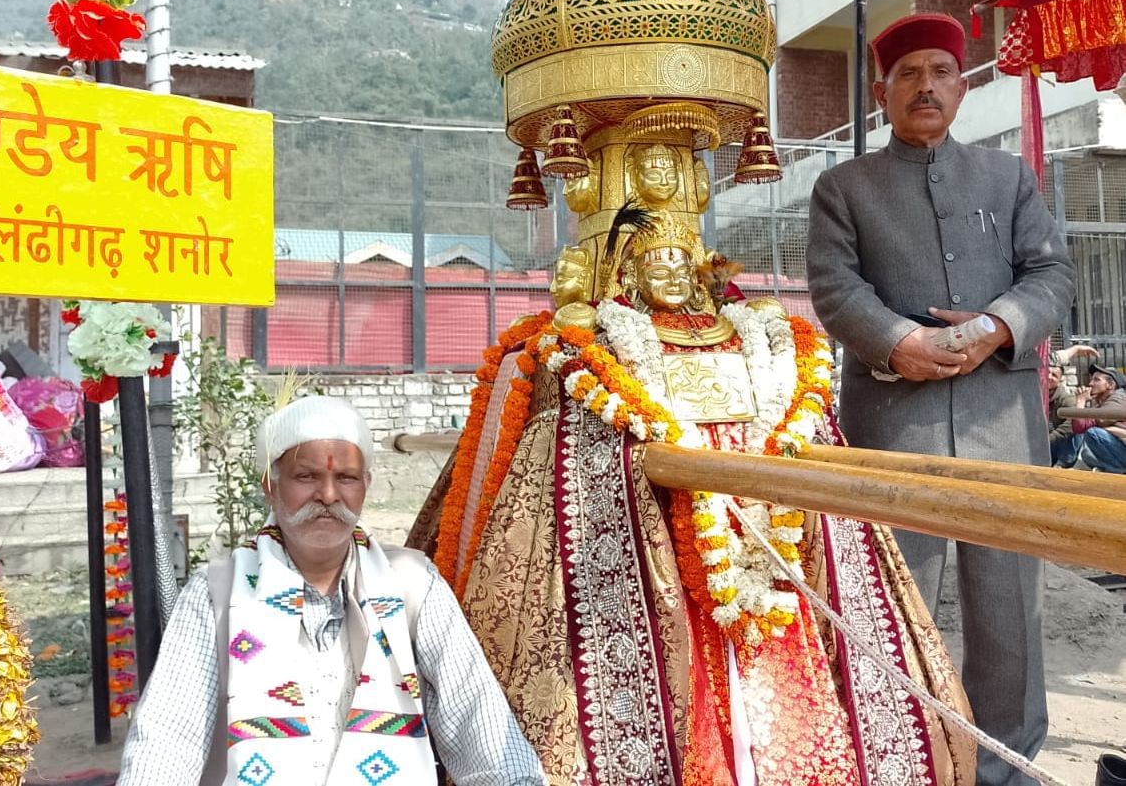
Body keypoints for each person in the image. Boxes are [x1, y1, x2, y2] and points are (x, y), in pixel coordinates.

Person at [411, 192, 975, 784]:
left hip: (768, 551)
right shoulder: (590, 345)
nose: (674, 276)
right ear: (629, 276)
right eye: (657, 265)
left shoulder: (760, 336)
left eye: (684, 263)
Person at [806, 12, 1076, 786]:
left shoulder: (1007, 178)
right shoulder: (843, 187)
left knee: (1008, 611)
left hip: (1003, 426)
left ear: (961, 86)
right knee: (892, 605)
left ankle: (1003, 768)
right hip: (894, 421)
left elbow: (1051, 272)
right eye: (908, 74)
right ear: (880, 91)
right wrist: (899, 340)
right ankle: (892, 761)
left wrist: (995, 326)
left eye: (940, 72)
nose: (925, 86)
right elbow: (833, 285)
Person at [117, 396, 544, 786]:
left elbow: (480, 725)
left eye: (346, 478)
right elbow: (167, 741)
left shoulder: (412, 584)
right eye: (306, 476)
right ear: (270, 485)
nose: (327, 494)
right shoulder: (217, 593)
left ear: (366, 485)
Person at [1070, 364, 1126, 474]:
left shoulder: (1119, 399)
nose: (1090, 384)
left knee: (1093, 433)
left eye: (1096, 380)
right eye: (1091, 379)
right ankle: (1114, 469)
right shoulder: (1103, 402)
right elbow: (1078, 427)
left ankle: (1118, 471)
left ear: (1110, 385)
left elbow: (1081, 427)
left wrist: (1081, 401)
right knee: (1086, 455)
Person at [1046, 365, 1081, 467]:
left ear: (1060, 381)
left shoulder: (1066, 399)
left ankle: (1062, 464)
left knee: (1077, 425)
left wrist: (1050, 438)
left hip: (1057, 444)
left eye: (1054, 375)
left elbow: (1072, 422)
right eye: (1047, 372)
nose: (1049, 376)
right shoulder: (1033, 395)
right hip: (1039, 444)